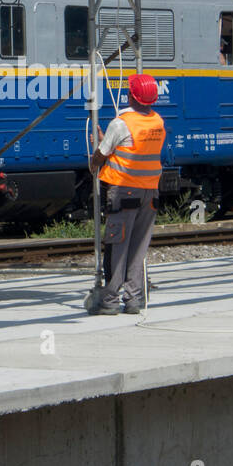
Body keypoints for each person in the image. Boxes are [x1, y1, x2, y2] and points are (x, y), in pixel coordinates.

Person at [88, 72, 166, 315]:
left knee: (116, 247)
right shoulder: (157, 123)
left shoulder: (121, 123)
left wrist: (94, 161)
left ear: (131, 95)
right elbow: (132, 148)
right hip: (150, 193)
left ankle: (110, 302)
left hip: (123, 191)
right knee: (138, 248)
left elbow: (103, 153)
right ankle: (133, 300)